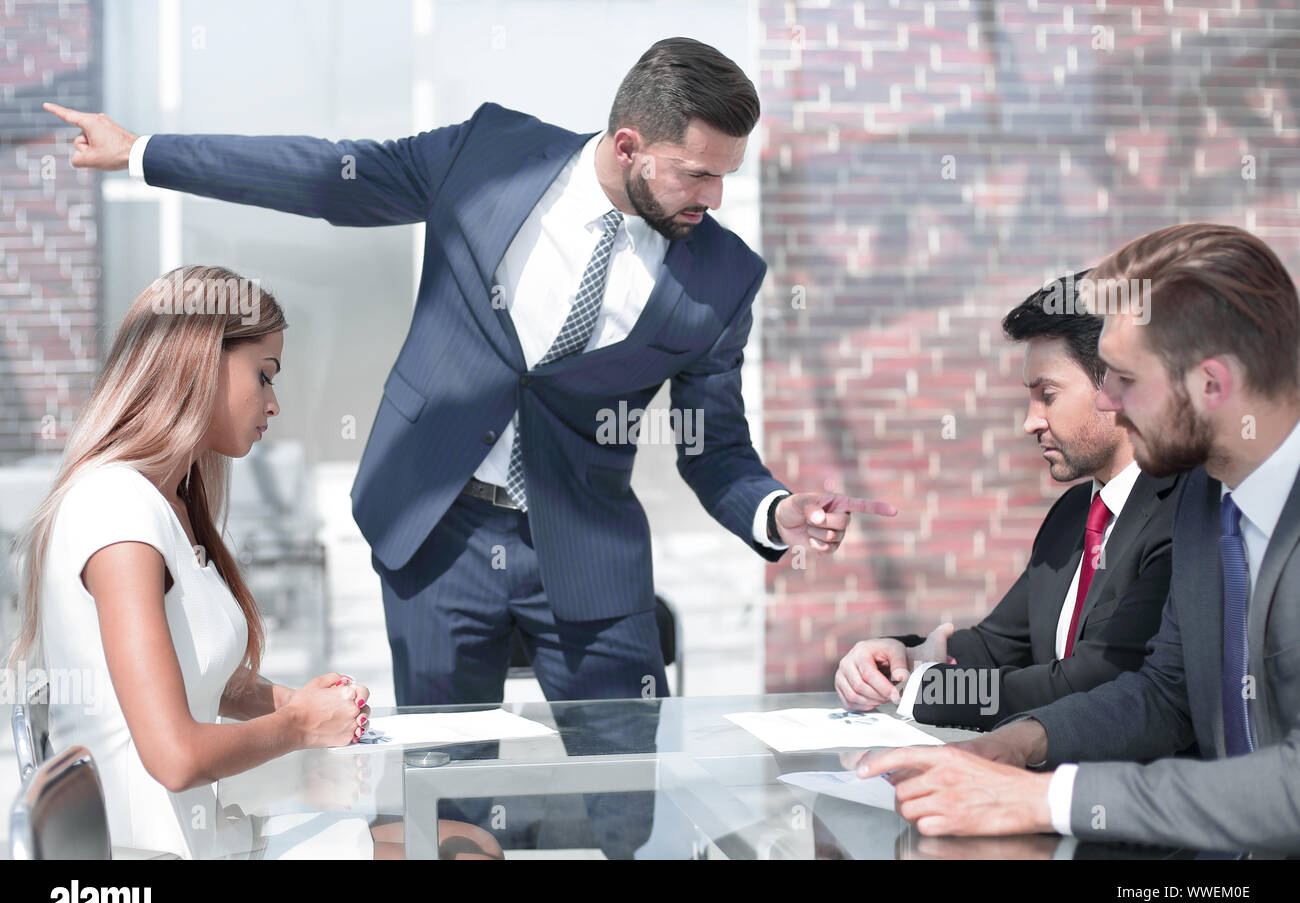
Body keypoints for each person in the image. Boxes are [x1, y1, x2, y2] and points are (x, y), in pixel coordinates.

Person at [42, 36, 895, 710]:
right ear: (629, 144)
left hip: (590, 562)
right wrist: (144, 153)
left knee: (638, 797)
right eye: (697, 173)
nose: (713, 197)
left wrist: (777, 510)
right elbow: (328, 176)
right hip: (435, 535)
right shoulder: (488, 156)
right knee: (446, 803)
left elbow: (715, 447)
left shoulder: (722, 275)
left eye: (726, 175)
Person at [4, 266, 498, 860]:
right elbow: (175, 756)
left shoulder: (169, 502)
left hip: (215, 837)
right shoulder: (116, 510)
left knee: (469, 841)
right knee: (465, 853)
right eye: (262, 377)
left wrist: (294, 702)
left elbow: (196, 673)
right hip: (155, 858)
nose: (274, 403)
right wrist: (298, 729)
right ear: (199, 360)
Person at [855, 223, 1300, 857]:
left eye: (1123, 379)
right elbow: (1164, 691)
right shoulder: (1208, 501)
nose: (1109, 403)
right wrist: (1009, 745)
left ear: (1212, 385)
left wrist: (1041, 799)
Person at [835, 273, 1181, 728]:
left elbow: (1091, 682)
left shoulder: (1181, 513)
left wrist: (924, 689)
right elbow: (995, 646)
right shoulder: (1074, 513)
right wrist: (900, 656)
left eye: (1048, 395)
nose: (1030, 421)